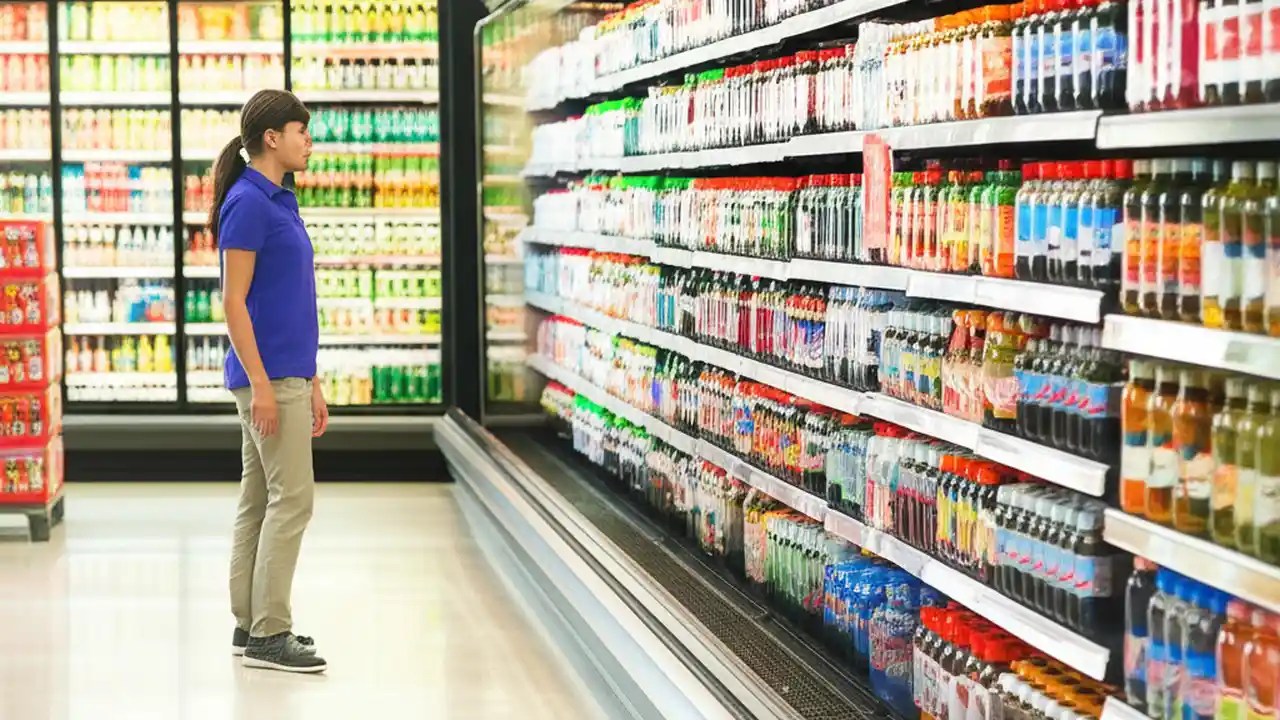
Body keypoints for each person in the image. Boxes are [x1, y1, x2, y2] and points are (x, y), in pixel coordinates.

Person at [209, 89, 328, 674]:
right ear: (272, 139)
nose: (310, 141)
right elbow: (233, 302)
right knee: (293, 501)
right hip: (267, 378)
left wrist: (313, 378)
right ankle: (270, 633)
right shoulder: (248, 203)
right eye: (301, 131)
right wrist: (261, 383)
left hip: (287, 373)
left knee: (258, 499)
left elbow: (289, 299)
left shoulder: (282, 199)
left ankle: (248, 621)